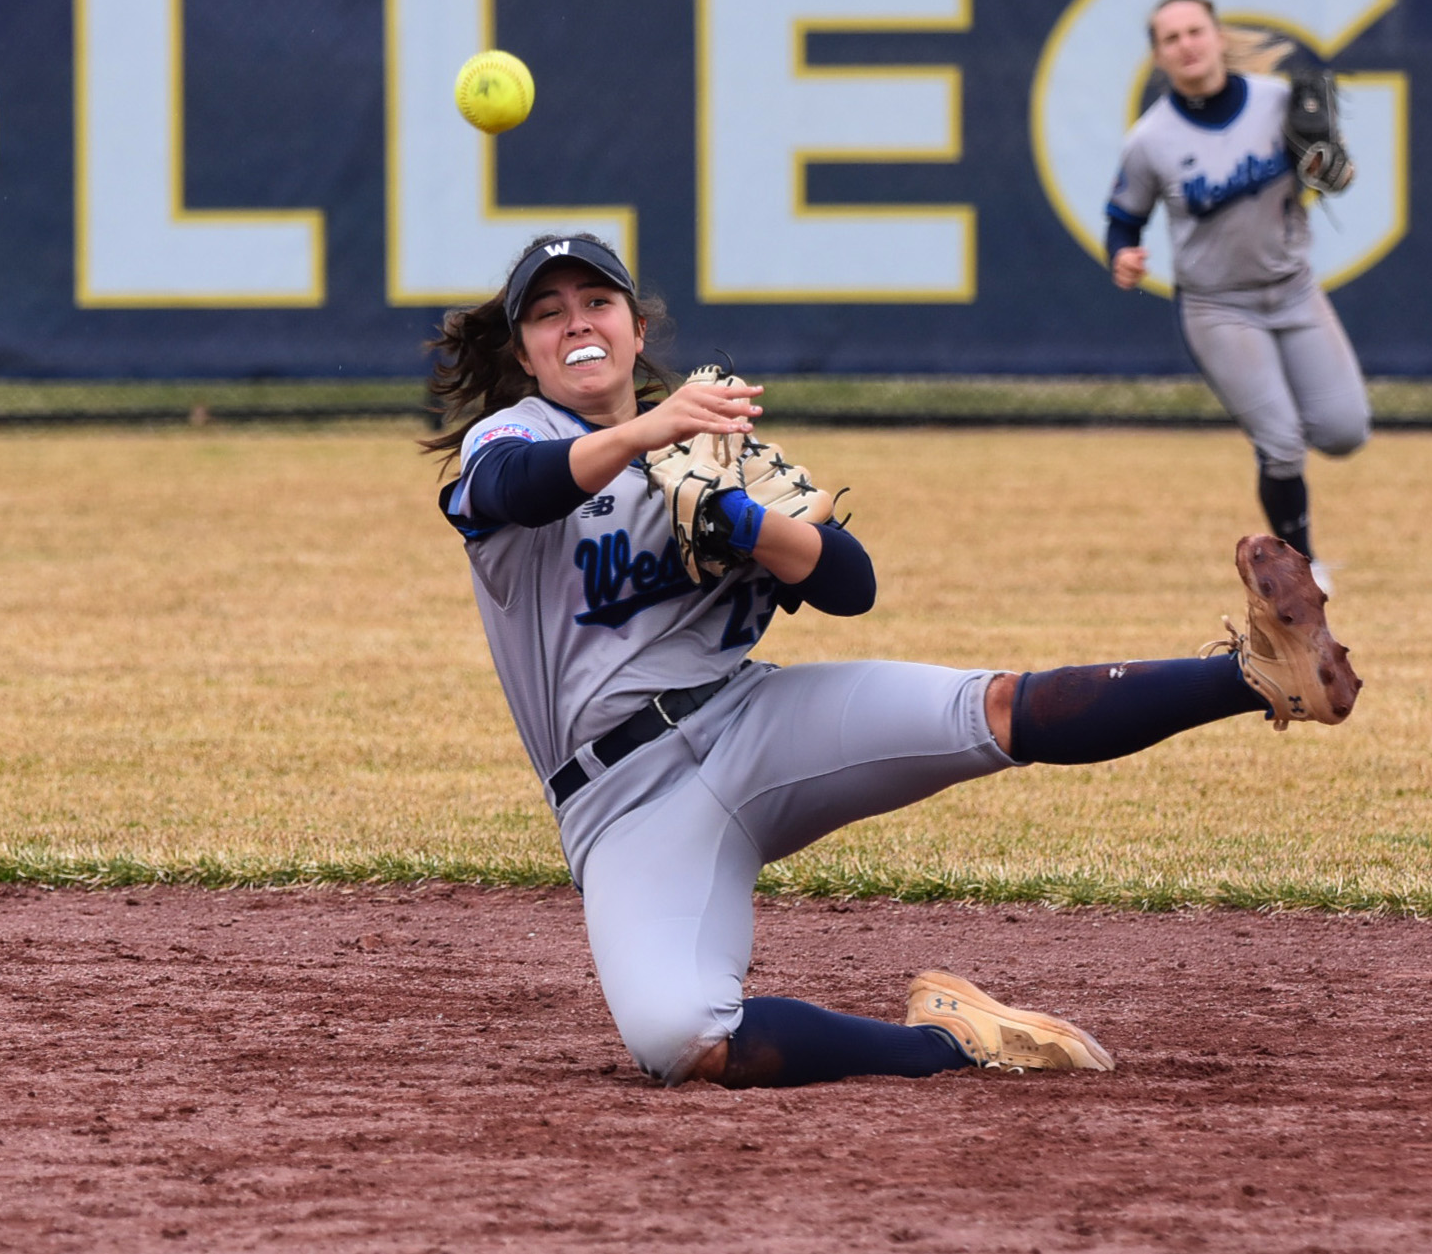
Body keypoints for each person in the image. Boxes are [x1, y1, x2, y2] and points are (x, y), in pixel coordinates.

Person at [426, 232, 1360, 1089]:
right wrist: (649, 433)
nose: (575, 323)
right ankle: (950, 1039)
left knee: (988, 711)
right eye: (548, 313)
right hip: (622, 805)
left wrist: (745, 522)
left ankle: (1255, 677)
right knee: (682, 1042)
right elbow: (512, 490)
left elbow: (849, 585)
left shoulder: (714, 456)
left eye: (595, 301)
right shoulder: (517, 438)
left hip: (751, 723)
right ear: (524, 353)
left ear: (634, 328)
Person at [1106, 0, 1371, 592]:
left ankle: (1293, 501)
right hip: (1218, 305)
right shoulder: (1152, 139)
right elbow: (1123, 216)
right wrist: (1121, 254)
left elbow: (1339, 175)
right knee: (1280, 442)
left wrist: (1332, 168)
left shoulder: (1277, 103)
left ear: (1219, 37)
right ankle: (1302, 568)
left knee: (1344, 431)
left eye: (1195, 31)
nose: (1187, 45)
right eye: (1171, 39)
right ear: (1158, 57)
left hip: (1293, 290)